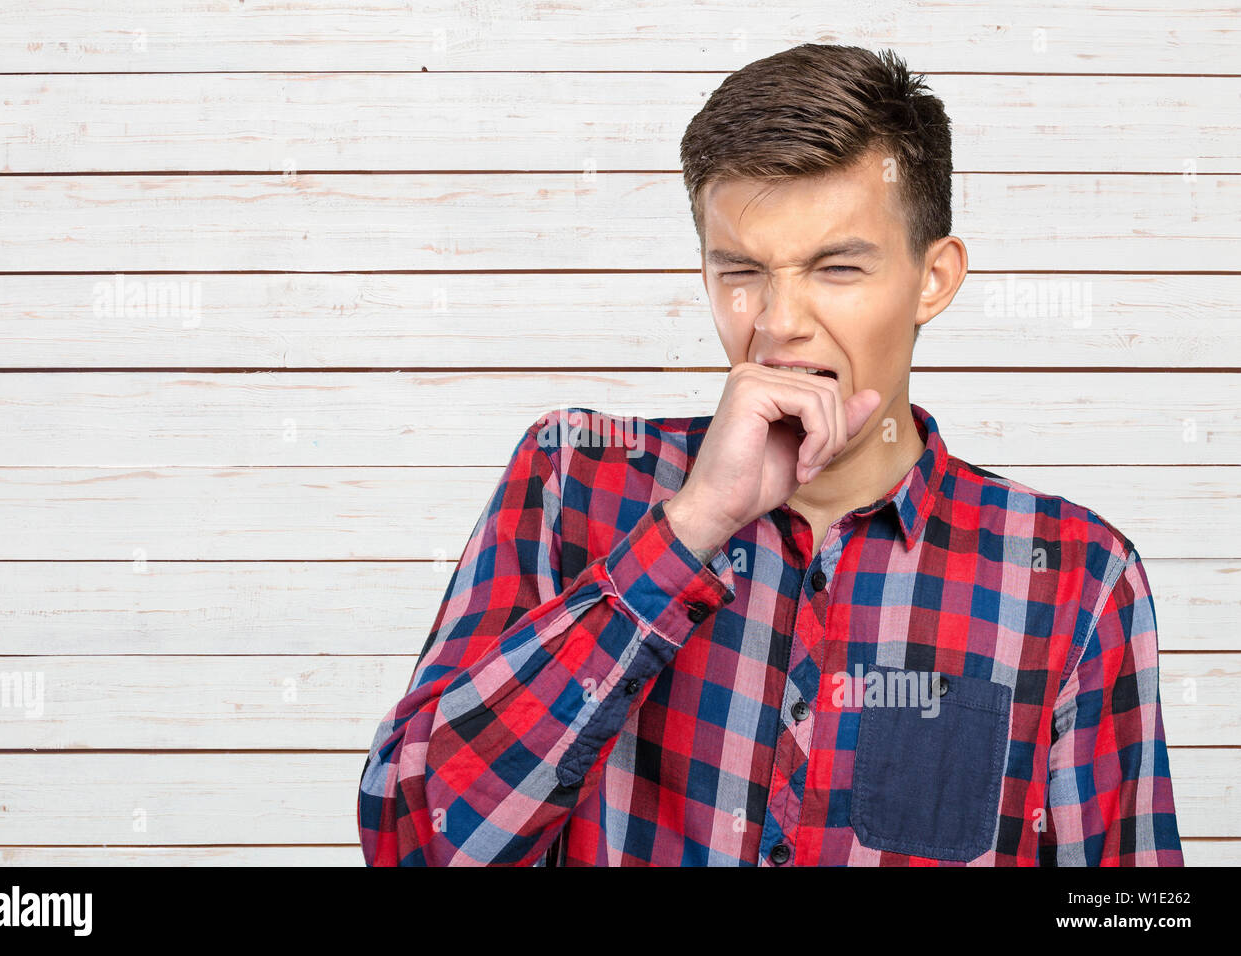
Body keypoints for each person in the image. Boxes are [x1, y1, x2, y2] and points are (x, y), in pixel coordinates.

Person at [357, 43, 1183, 866]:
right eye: (742, 270)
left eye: (838, 267)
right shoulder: (572, 478)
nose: (779, 321)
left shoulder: (1075, 576)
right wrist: (687, 532)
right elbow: (414, 839)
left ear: (934, 278)